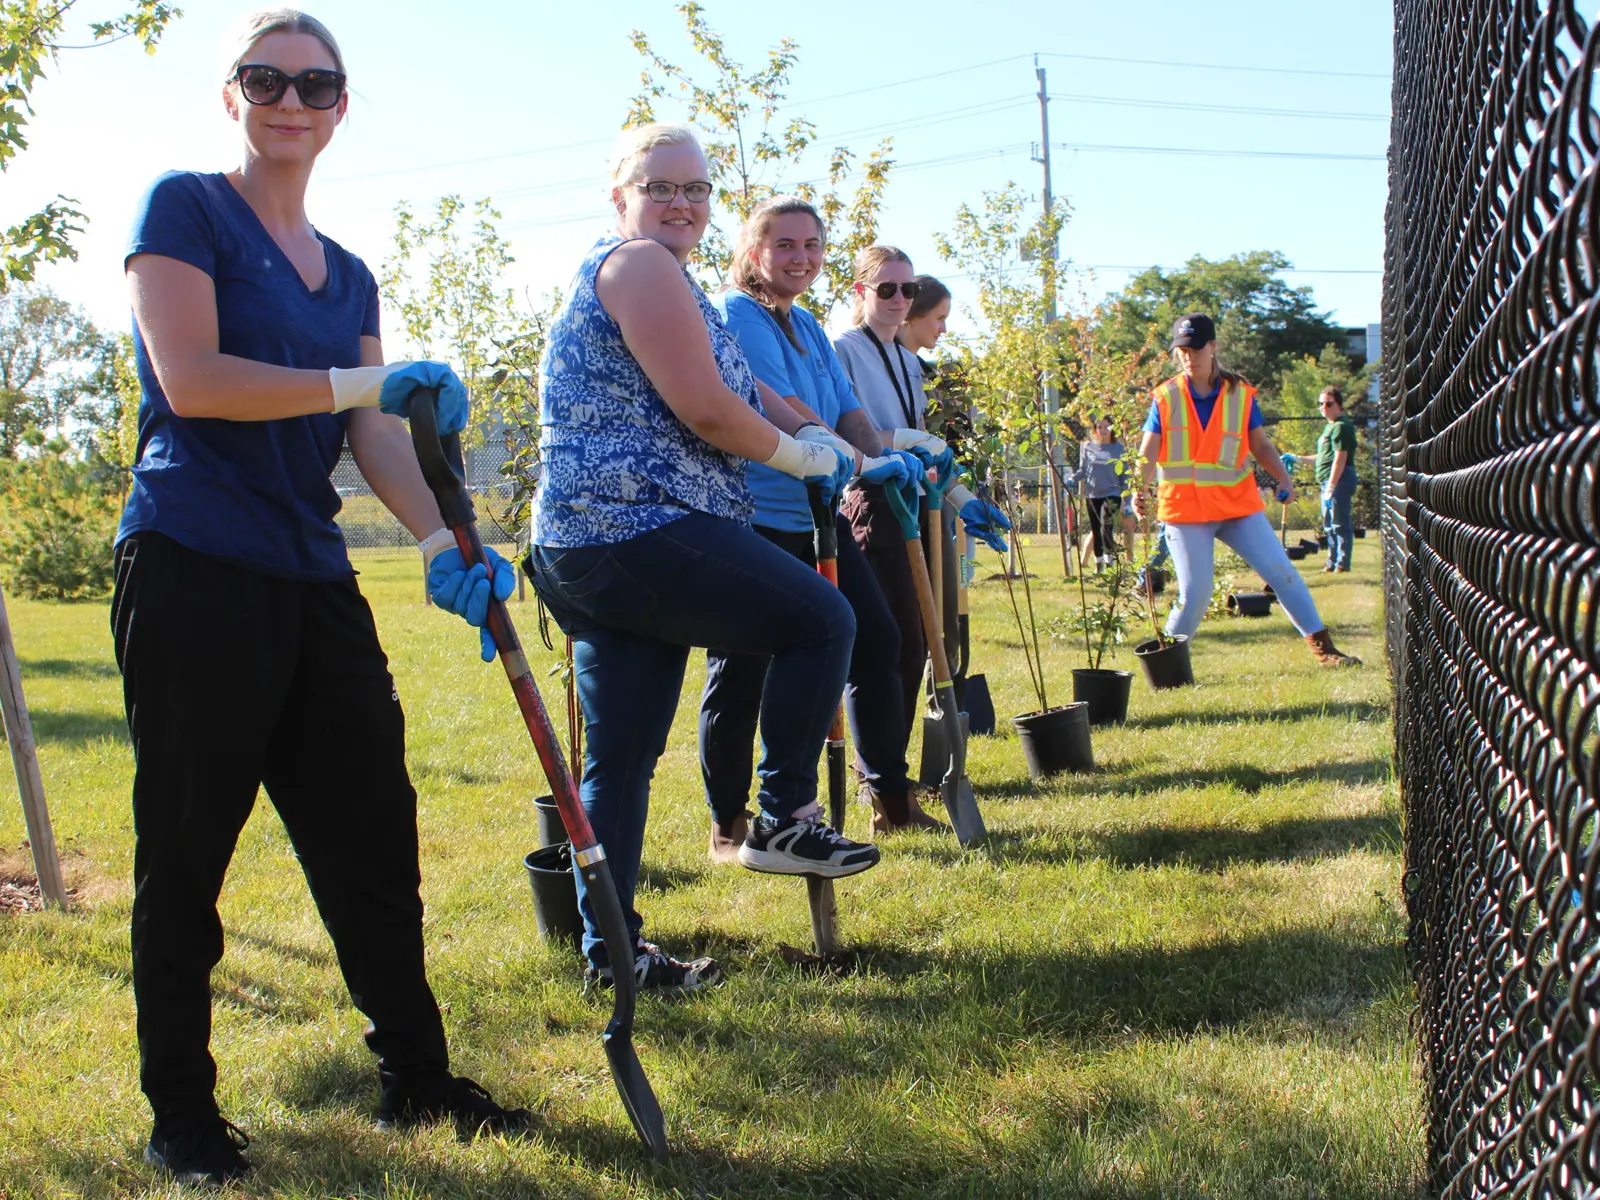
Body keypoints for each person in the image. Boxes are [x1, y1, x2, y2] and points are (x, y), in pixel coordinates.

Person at [115, 10, 529, 1185]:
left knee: (370, 836)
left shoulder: (348, 270)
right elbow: (193, 383)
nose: (289, 99)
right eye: (265, 78)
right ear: (231, 93)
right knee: (186, 851)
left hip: (310, 574)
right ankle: (184, 1118)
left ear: (342, 107)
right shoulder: (183, 207)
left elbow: (366, 432)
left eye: (315, 83)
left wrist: (449, 536)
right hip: (194, 562)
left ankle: (417, 1077)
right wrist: (364, 375)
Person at [524, 125, 898, 993]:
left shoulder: (667, 280)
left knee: (618, 761)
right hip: (635, 527)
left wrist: (804, 423)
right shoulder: (641, 266)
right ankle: (781, 818)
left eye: (696, 189)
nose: (682, 203)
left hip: (588, 542)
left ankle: (614, 958)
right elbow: (705, 409)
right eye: (661, 187)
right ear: (619, 195)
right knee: (820, 619)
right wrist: (797, 455)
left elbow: (734, 381)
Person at [701, 197, 942, 840]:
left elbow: (844, 405)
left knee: (878, 640)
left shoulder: (805, 324)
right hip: (753, 516)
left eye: (811, 245)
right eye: (785, 244)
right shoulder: (736, 314)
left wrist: (875, 455)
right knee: (743, 668)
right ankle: (730, 821)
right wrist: (847, 456)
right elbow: (770, 398)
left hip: (818, 517)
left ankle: (889, 795)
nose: (800, 257)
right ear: (755, 253)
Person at [834, 249, 1010, 743]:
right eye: (886, 288)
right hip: (873, 503)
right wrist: (912, 442)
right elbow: (841, 435)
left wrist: (962, 498)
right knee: (894, 648)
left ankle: (896, 770)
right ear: (861, 291)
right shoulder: (844, 350)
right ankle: (880, 777)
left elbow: (927, 456)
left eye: (907, 289)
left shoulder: (908, 361)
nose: (898, 298)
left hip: (917, 506)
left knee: (919, 648)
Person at [1131, 315, 1360, 667]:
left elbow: (1261, 446)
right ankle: (1166, 667)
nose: (1188, 357)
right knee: (1195, 594)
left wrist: (1284, 479)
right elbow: (1148, 451)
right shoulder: (1166, 397)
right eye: (1182, 350)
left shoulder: (1239, 394)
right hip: (1186, 512)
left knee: (1282, 573)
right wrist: (1138, 488)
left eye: (1195, 349)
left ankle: (1324, 650)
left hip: (1238, 508)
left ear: (1212, 347)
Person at [1068, 417, 1128, 571]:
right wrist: (1073, 479)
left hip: (1112, 492)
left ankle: (1110, 562)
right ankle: (1099, 563)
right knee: (1096, 530)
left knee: (1106, 527)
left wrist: (1126, 499)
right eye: (1099, 427)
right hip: (1093, 494)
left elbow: (1125, 475)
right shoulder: (1088, 447)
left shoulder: (1119, 449)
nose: (1102, 430)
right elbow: (1083, 470)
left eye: (1106, 427)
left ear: (1112, 428)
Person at [1315, 386, 1358, 573]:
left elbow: (1340, 459)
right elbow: (1322, 457)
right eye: (1321, 404)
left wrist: (1331, 486)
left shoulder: (1341, 426)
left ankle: (1342, 563)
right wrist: (1297, 458)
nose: (1324, 407)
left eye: (1329, 404)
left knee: (1339, 523)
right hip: (1327, 479)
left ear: (1339, 405)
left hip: (1339, 479)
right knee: (1329, 525)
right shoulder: (1329, 426)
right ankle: (1331, 562)